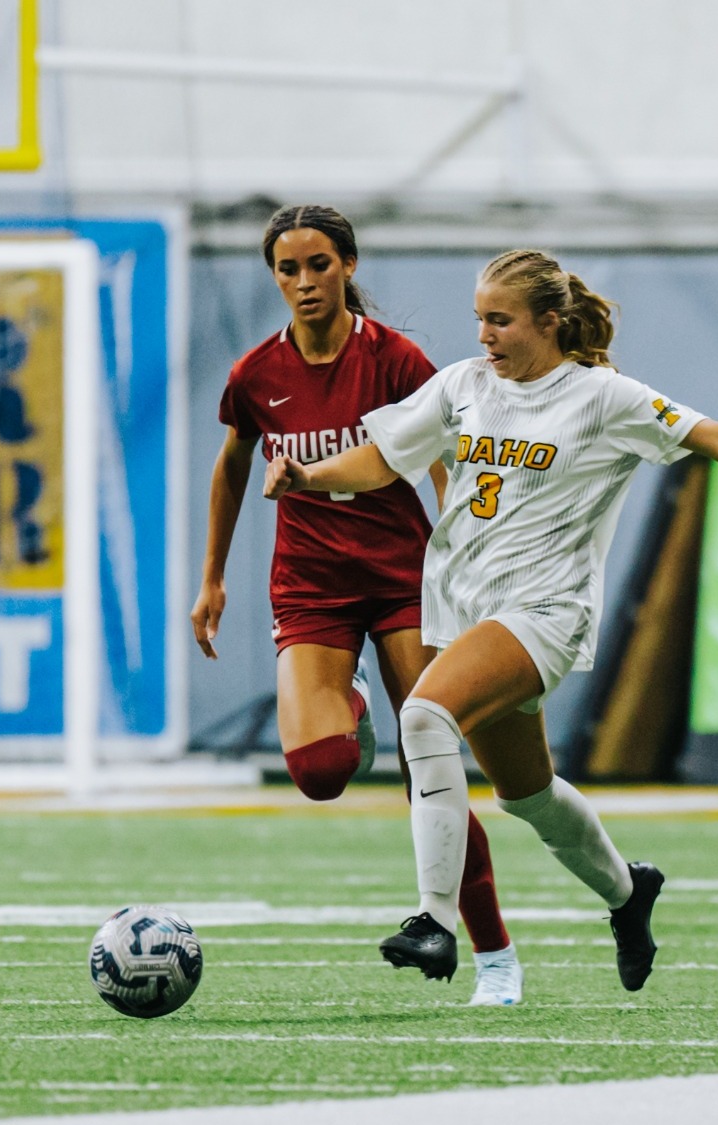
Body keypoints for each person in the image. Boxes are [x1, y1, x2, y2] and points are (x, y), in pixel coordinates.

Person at [262, 248, 718, 990]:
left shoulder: (603, 399)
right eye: (479, 318)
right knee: (528, 794)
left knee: (423, 716)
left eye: (501, 320)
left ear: (549, 322)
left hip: (545, 611)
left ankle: (433, 921)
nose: (484, 334)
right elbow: (384, 459)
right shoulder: (463, 384)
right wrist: (310, 476)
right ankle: (627, 891)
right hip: (464, 611)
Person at [193, 206, 522, 1006]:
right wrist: (213, 577)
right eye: (287, 269)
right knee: (319, 770)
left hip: (400, 577)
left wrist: (462, 557)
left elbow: (450, 456)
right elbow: (233, 460)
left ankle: (496, 957)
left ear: (346, 265)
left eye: (318, 265)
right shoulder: (255, 375)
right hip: (309, 584)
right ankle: (352, 700)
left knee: (430, 771)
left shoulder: (396, 360)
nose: (304, 283)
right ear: (274, 276)